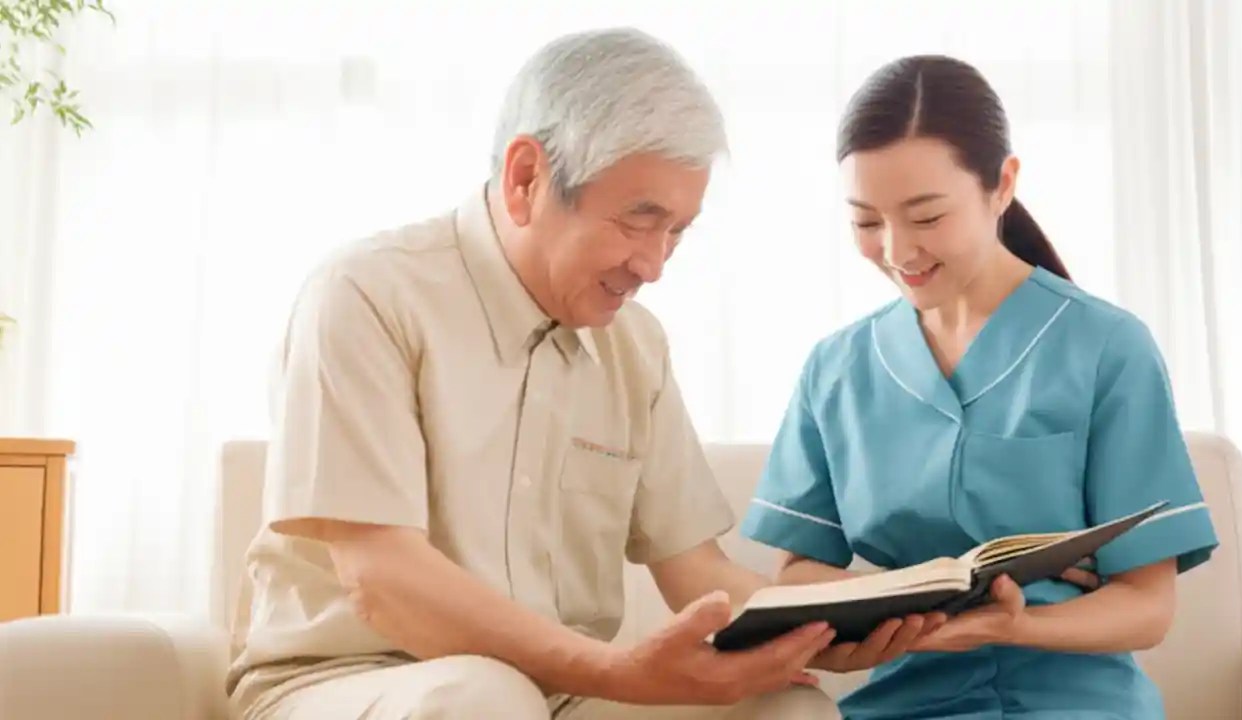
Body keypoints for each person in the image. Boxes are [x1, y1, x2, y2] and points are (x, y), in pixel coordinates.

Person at [224, 28, 933, 720]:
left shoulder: (636, 346)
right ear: (526, 177)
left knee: (787, 707)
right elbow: (382, 581)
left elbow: (698, 577)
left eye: (677, 232)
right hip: (346, 681)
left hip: (558, 692)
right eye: (637, 220)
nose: (654, 265)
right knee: (479, 698)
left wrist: (846, 627)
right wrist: (617, 671)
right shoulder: (367, 296)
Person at [742, 54, 1219, 719]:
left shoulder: (1108, 348)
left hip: (1079, 705)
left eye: (927, 217)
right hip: (903, 703)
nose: (898, 251)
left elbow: (1147, 607)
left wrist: (1010, 623)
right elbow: (795, 574)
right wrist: (912, 602)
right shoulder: (837, 368)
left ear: (1002, 186)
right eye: (866, 222)